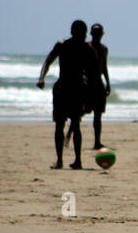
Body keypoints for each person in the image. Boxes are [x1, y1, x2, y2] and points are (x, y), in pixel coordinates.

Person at [36, 20, 101, 170]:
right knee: (60, 125)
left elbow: (94, 71)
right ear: (73, 32)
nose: (83, 36)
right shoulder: (62, 45)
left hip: (78, 89)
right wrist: (41, 77)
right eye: (81, 33)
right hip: (62, 88)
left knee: (76, 125)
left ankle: (78, 160)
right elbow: (48, 60)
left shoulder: (87, 49)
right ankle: (59, 160)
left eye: (84, 34)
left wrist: (92, 89)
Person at [86, 23, 111, 150]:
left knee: (98, 115)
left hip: (98, 83)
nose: (97, 35)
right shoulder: (86, 47)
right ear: (91, 33)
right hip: (87, 83)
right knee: (79, 113)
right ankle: (69, 135)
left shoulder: (104, 49)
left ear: (102, 34)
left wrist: (108, 83)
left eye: (99, 32)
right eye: (95, 32)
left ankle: (97, 141)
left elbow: (104, 67)